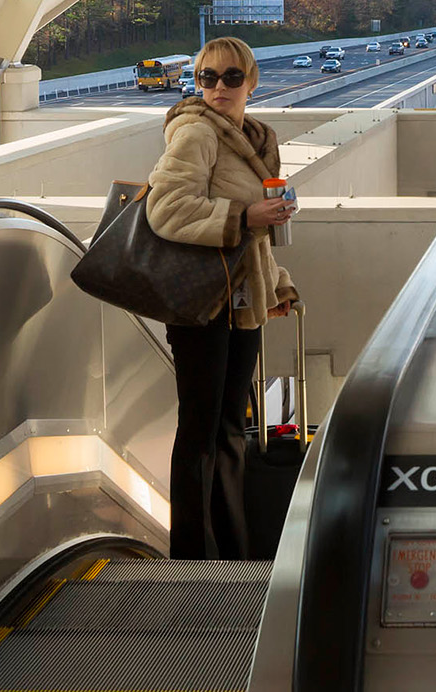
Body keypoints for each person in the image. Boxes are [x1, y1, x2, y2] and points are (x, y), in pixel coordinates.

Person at [142, 36, 298, 560]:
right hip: (201, 303)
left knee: (232, 427)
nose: (218, 87)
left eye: (231, 77)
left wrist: (274, 288)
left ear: (252, 82)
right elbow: (165, 209)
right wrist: (242, 216)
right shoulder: (195, 132)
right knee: (201, 431)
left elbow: (258, 235)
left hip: (241, 304)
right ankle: (191, 556)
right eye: (207, 77)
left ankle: (231, 548)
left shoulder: (257, 137)